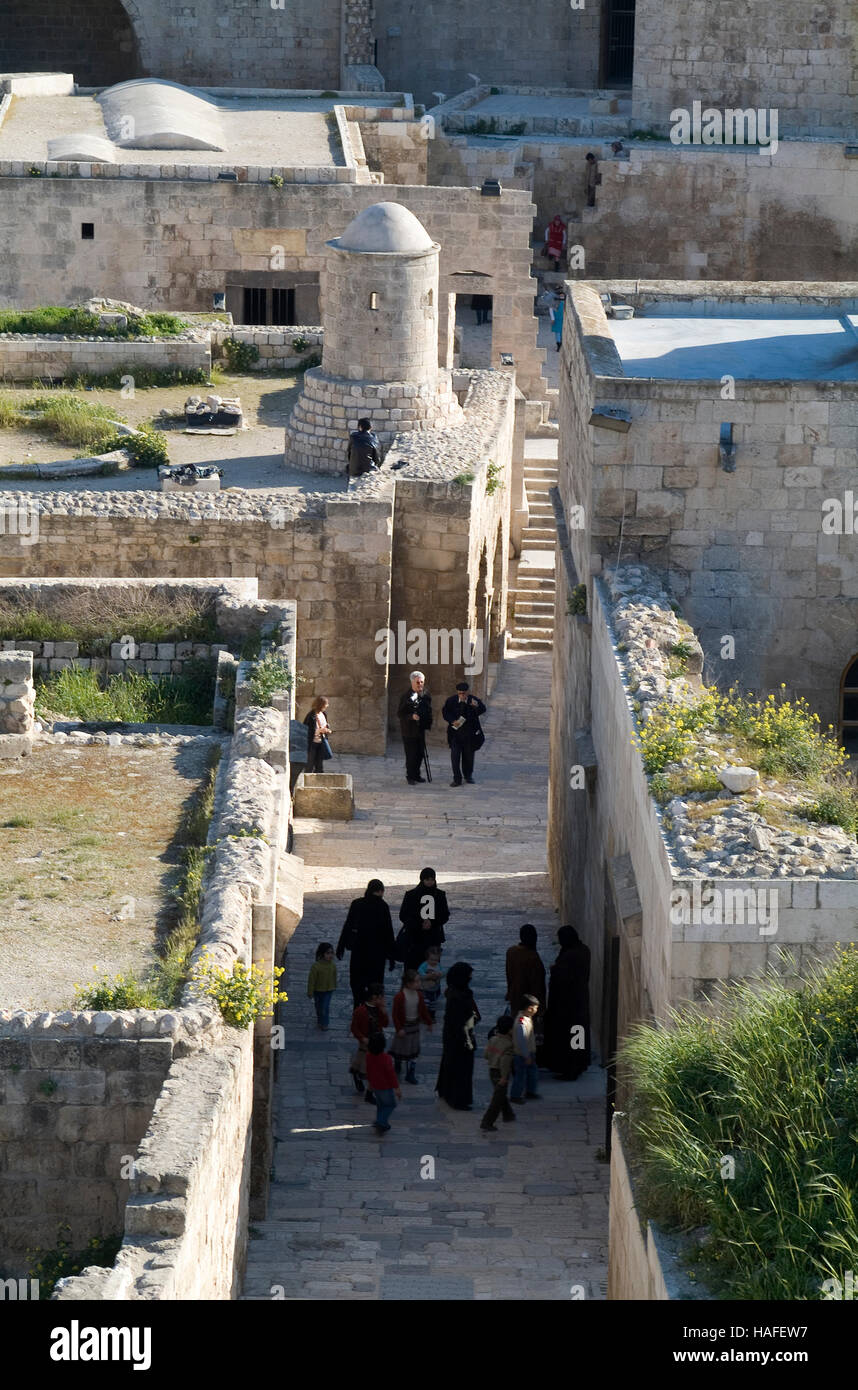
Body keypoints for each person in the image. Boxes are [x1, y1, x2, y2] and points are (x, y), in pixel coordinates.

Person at [541, 924, 592, 1080]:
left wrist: (555, 969)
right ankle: (580, 1063)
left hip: (567, 1004)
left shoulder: (571, 955)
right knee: (579, 1033)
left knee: (568, 1036)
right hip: (580, 1000)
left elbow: (563, 978)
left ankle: (570, 1068)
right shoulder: (583, 949)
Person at [337, 879, 396, 1007]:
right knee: (374, 985)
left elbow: (348, 926)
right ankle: (372, 1010)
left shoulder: (357, 904)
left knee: (357, 983)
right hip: (377, 955)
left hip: (359, 952)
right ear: (381, 891)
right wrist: (391, 957)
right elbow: (388, 933)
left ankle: (358, 1008)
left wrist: (340, 946)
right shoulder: (383, 907)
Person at [435, 961, 481, 1110]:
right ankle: (457, 1099)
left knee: (451, 1063)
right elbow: (465, 1019)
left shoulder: (454, 992)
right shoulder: (459, 997)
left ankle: (447, 1091)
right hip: (460, 1037)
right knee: (461, 1068)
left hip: (453, 1035)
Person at [398, 867, 449, 970]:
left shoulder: (439, 895)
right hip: (415, 937)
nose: (430, 882)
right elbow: (403, 915)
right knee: (413, 967)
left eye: (432, 879)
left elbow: (444, 914)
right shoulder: (411, 895)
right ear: (422, 879)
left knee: (431, 969)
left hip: (432, 937)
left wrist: (432, 923)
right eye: (427, 879)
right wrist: (419, 924)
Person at [391, 968, 433, 1084]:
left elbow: (423, 1010)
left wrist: (429, 1022)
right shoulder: (400, 997)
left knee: (413, 1051)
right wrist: (399, 1028)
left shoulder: (418, 995)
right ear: (409, 983)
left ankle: (410, 1073)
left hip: (414, 1026)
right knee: (400, 1049)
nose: (419, 983)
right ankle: (397, 1064)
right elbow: (395, 1015)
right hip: (404, 1027)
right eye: (417, 981)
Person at [349, 983, 389, 1102]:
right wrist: (362, 1038)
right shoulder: (360, 1011)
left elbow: (385, 1024)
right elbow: (354, 1028)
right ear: (374, 997)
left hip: (377, 1043)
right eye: (381, 997)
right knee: (366, 1068)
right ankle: (361, 1080)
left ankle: (370, 1093)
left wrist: (383, 1011)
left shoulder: (379, 1010)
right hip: (366, 1044)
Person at [442, 680, 486, 787]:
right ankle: (457, 778)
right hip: (456, 735)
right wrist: (452, 721)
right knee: (455, 757)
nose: (462, 695)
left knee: (469, 757)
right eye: (460, 693)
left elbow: (483, 709)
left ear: (468, 692)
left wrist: (476, 707)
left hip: (469, 735)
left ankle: (468, 775)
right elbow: (445, 712)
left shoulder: (473, 700)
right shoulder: (451, 701)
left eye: (464, 693)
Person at [480, 1015, 516, 1131]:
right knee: (497, 1099)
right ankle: (487, 1122)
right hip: (501, 1073)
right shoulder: (509, 1045)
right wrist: (504, 1077)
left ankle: (508, 1114)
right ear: (510, 1030)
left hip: (492, 1070)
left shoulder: (493, 1039)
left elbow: (486, 1055)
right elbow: (505, 1063)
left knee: (500, 1094)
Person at [397, 670, 432, 785]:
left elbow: (428, 709)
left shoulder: (425, 695)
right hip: (409, 731)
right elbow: (400, 714)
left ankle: (417, 775)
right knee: (411, 755)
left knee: (420, 754)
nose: (420, 684)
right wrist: (411, 716)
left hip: (420, 730)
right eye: (418, 682)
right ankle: (410, 776)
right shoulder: (406, 697)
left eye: (422, 682)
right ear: (412, 683)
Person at [505, 924, 546, 1015]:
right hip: (529, 1005)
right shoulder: (533, 958)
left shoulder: (511, 952)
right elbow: (537, 986)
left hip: (515, 998)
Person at [366, 1033, 401, 1134]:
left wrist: (370, 1084)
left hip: (375, 1086)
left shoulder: (368, 1057)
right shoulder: (386, 1058)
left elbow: (368, 1071)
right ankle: (381, 1122)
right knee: (390, 1105)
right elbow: (391, 1075)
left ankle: (382, 1123)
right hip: (385, 1087)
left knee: (381, 1105)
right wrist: (397, 1088)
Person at [509, 994, 541, 1102]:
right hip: (522, 1055)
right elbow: (521, 1041)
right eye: (536, 1007)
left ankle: (530, 1092)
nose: (537, 1010)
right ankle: (515, 1096)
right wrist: (526, 1055)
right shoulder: (521, 1022)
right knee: (520, 1076)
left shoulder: (527, 1018)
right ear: (530, 1008)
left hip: (529, 1053)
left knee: (532, 1073)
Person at [306, 941, 337, 1030]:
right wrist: (310, 992)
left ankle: (325, 1024)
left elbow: (334, 976)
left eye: (331, 953)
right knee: (318, 1007)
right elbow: (312, 980)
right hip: (318, 991)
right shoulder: (316, 966)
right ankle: (320, 1020)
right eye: (328, 953)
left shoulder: (333, 966)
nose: (330, 955)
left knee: (325, 1007)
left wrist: (334, 985)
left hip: (328, 991)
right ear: (322, 954)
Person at [303, 695, 332, 774]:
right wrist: (320, 731)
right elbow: (307, 730)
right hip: (312, 743)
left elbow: (324, 725)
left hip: (321, 742)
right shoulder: (311, 716)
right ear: (321, 704)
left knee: (319, 766)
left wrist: (326, 729)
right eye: (326, 704)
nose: (327, 706)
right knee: (309, 765)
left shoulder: (323, 714)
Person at [417, 945, 443, 1020]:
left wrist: (440, 974)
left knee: (433, 1004)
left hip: (435, 987)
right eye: (432, 960)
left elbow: (443, 972)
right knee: (425, 1003)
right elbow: (420, 971)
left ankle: (432, 1016)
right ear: (427, 958)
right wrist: (426, 975)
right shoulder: (425, 965)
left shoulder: (438, 965)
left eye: (436, 960)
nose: (434, 962)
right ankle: (423, 1015)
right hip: (425, 987)